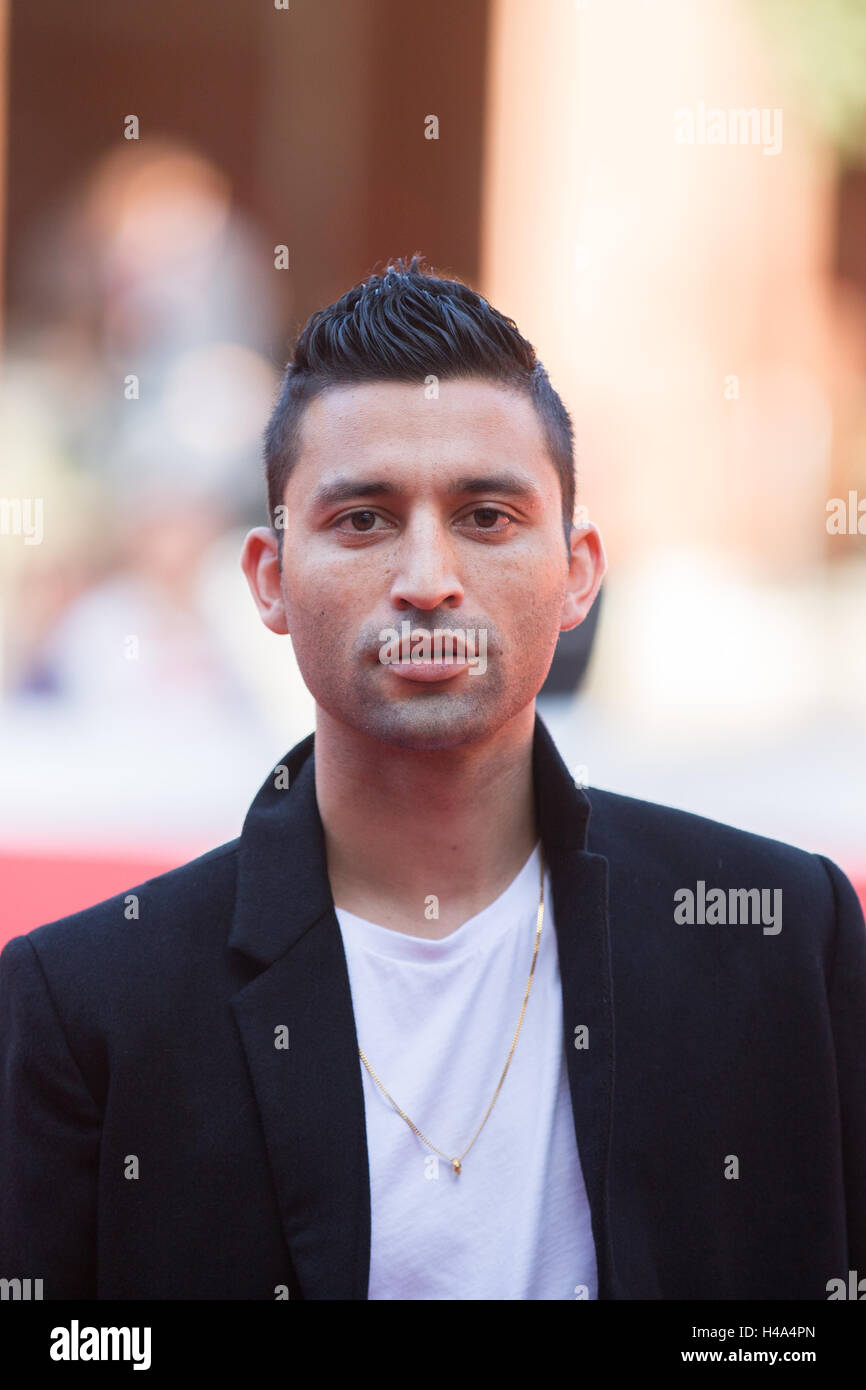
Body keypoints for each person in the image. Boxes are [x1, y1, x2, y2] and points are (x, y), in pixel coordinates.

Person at [1, 257, 863, 1301]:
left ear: (578, 570)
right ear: (269, 580)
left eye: (485, 516)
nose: (426, 581)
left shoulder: (776, 936)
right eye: (361, 519)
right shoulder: (87, 1002)